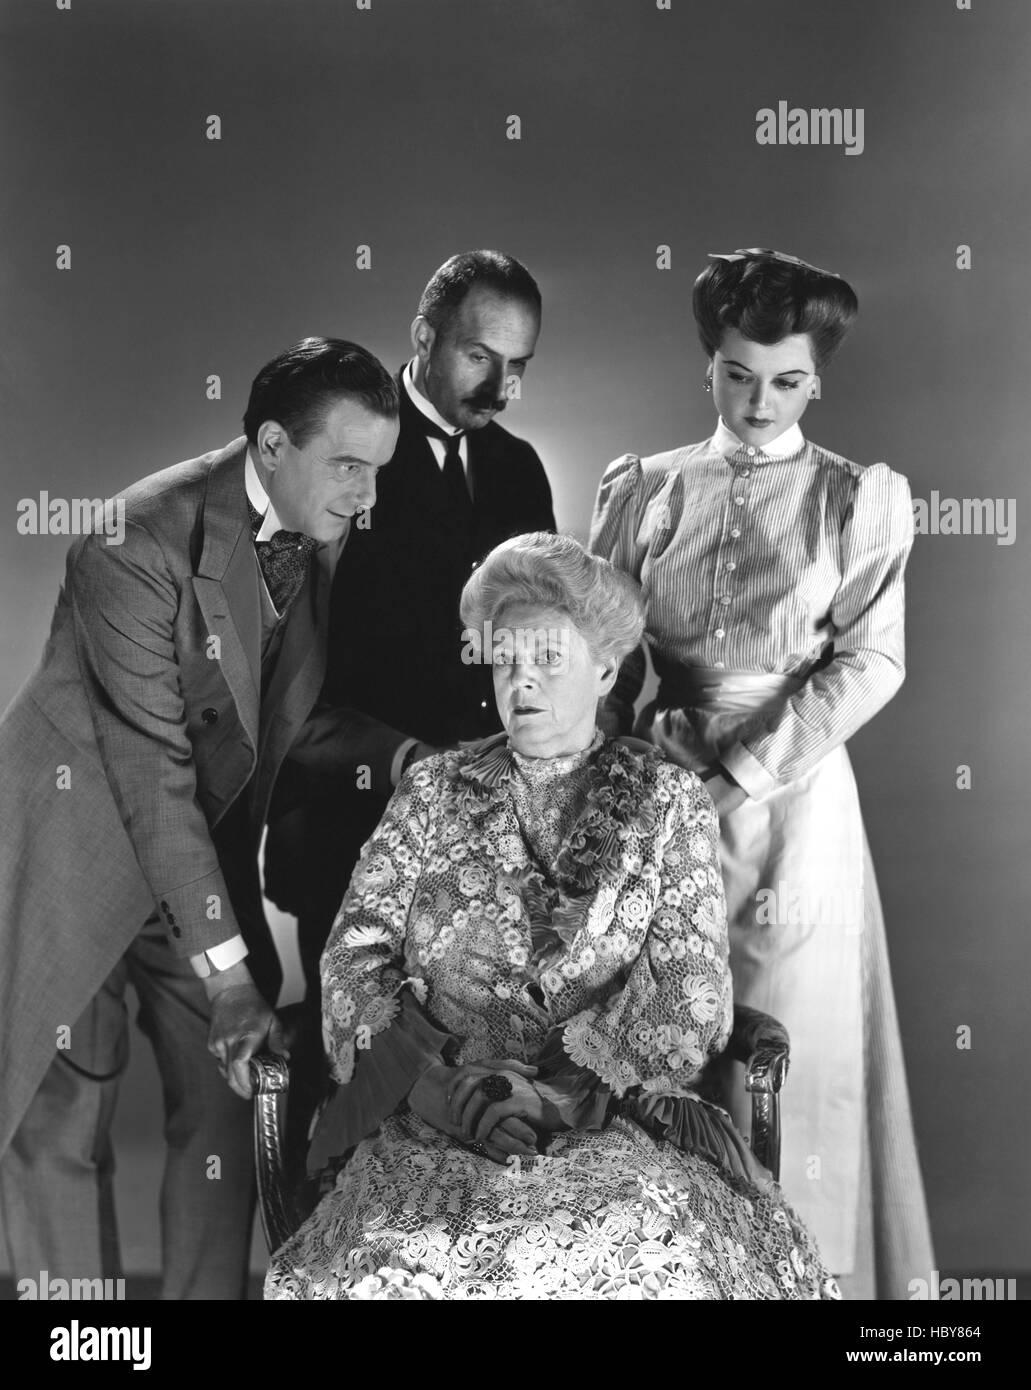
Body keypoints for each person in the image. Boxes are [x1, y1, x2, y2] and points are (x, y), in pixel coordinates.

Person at [265, 534, 841, 1301]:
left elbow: (689, 994)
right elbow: (353, 959)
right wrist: (431, 1088)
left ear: (605, 669)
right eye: (505, 661)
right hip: (435, 1120)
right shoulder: (434, 790)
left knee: (642, 1244)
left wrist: (564, 1094)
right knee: (397, 1259)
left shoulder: (664, 801)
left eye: (546, 660)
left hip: (611, 1123)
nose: (521, 682)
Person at [0, 338, 400, 1298]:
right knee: (62, 1122)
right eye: (348, 467)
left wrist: (399, 757)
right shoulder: (127, 540)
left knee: (235, 1101)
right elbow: (152, 774)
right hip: (75, 846)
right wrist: (228, 976)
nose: (367, 498)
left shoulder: (321, 523)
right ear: (270, 444)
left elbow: (276, 716)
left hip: (195, 856)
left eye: (376, 470)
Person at [588, 248, 934, 1298]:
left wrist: (741, 770)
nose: (756, 399)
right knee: (652, 1048)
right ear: (709, 366)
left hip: (793, 802)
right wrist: (601, 785)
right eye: (737, 374)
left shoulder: (851, 497)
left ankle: (800, 1286)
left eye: (783, 380)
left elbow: (870, 663)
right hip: (657, 792)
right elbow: (605, 657)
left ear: (814, 380)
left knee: (786, 1043)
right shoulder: (644, 488)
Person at [265, 250, 555, 997]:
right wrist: (408, 762)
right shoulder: (337, 458)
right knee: (356, 1078)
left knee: (467, 1083)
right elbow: (281, 675)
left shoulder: (521, 467)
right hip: (347, 829)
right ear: (423, 337)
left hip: (487, 841)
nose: (499, 388)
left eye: (516, 363)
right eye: (477, 356)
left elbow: (536, 637)